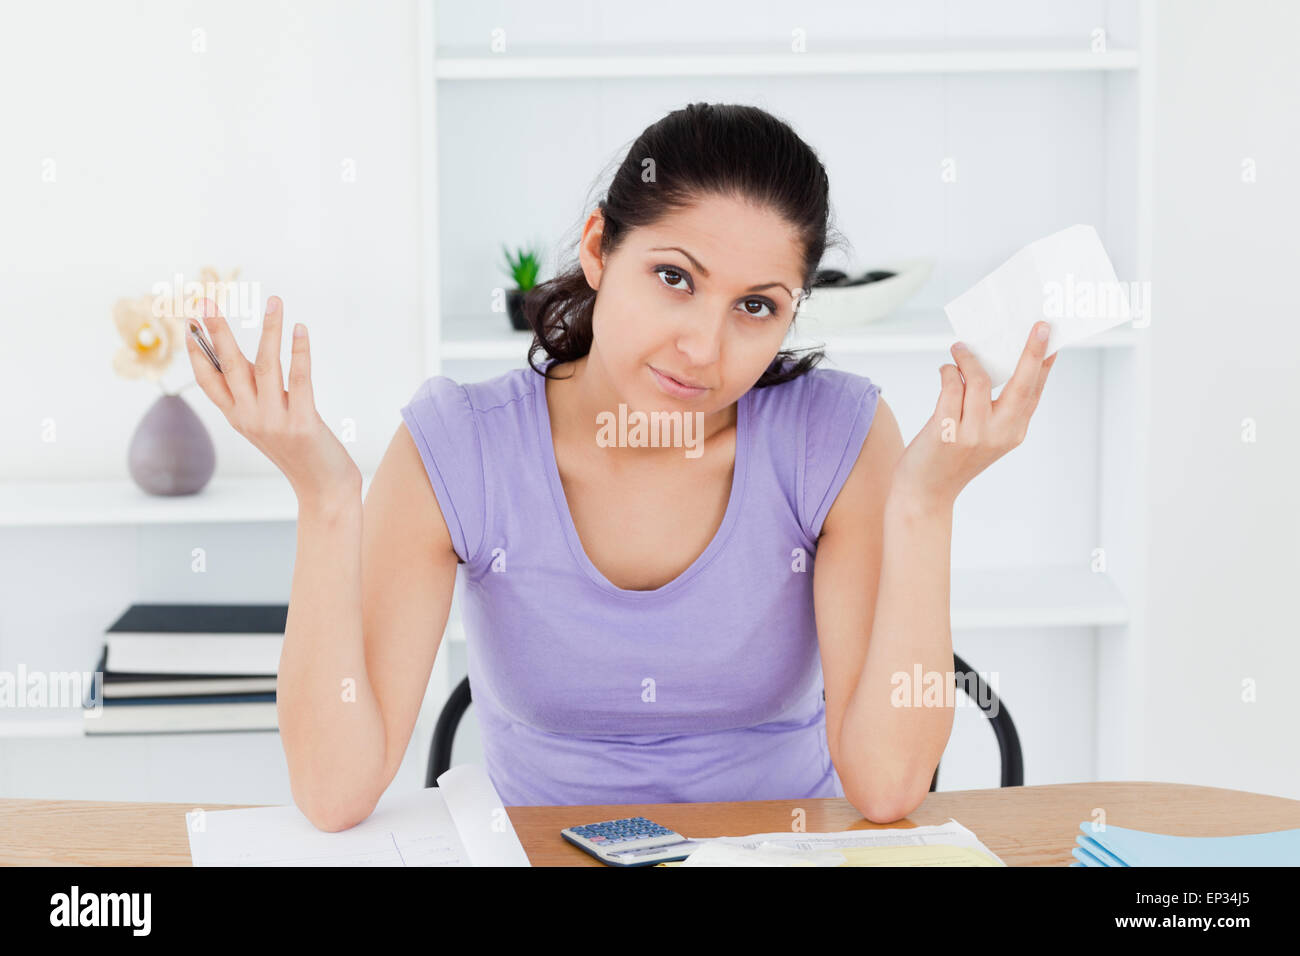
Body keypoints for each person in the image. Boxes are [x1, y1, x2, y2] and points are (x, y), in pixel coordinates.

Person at [186, 103, 1056, 831]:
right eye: (675, 277)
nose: (703, 347)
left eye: (756, 306)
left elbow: (887, 786)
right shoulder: (462, 445)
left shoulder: (836, 434)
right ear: (599, 249)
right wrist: (327, 495)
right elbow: (335, 794)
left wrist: (926, 503)